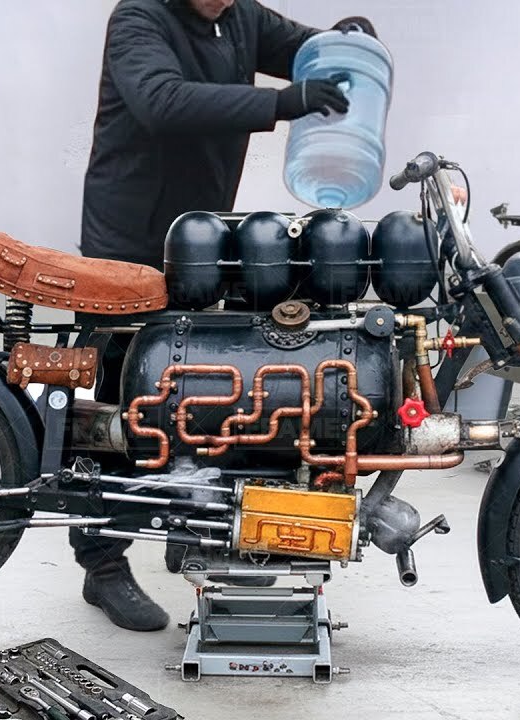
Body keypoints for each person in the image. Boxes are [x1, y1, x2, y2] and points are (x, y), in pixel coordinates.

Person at [76, 0, 377, 632]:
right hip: (128, 242)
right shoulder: (140, 19)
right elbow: (163, 101)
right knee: (118, 405)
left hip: (198, 242)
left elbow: (300, 46)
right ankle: (102, 565)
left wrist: (343, 39)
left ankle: (181, 521)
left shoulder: (239, 16)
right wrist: (285, 103)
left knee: (187, 395)